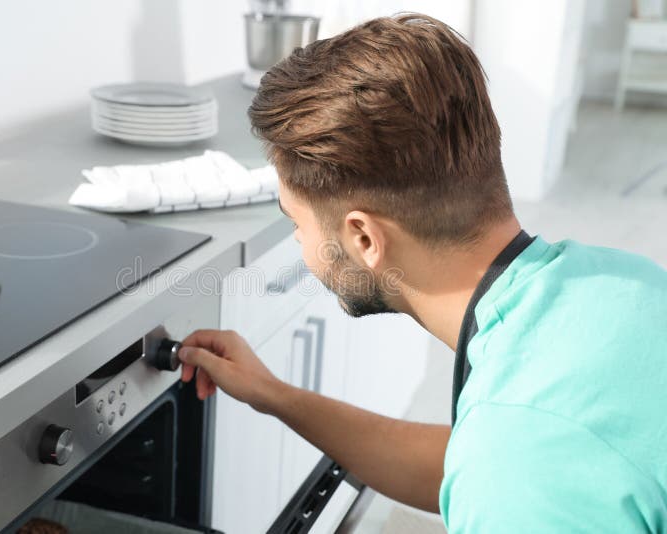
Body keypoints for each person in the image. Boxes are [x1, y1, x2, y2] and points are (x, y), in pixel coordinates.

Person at [178, 13, 667, 533]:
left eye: (294, 221)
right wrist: (274, 394)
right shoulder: (623, 283)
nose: (298, 240)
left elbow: (509, 465)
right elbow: (474, 459)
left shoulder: (514, 465)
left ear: (363, 238)